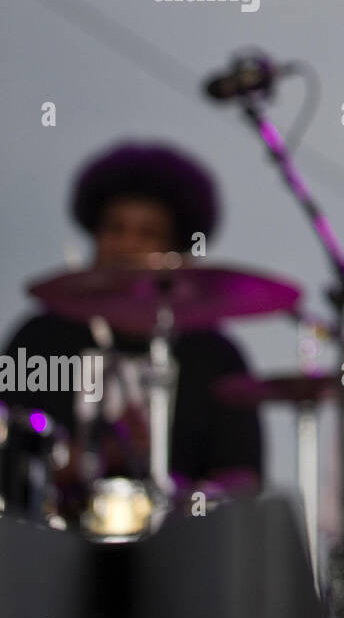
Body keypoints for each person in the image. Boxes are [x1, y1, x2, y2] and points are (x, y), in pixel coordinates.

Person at [2, 141, 263, 503]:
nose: (126, 245)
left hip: (179, 548)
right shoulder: (41, 338)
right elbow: (10, 457)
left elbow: (242, 477)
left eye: (147, 234)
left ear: (178, 254)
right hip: (52, 544)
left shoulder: (213, 354)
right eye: (115, 229)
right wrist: (101, 456)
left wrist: (188, 502)